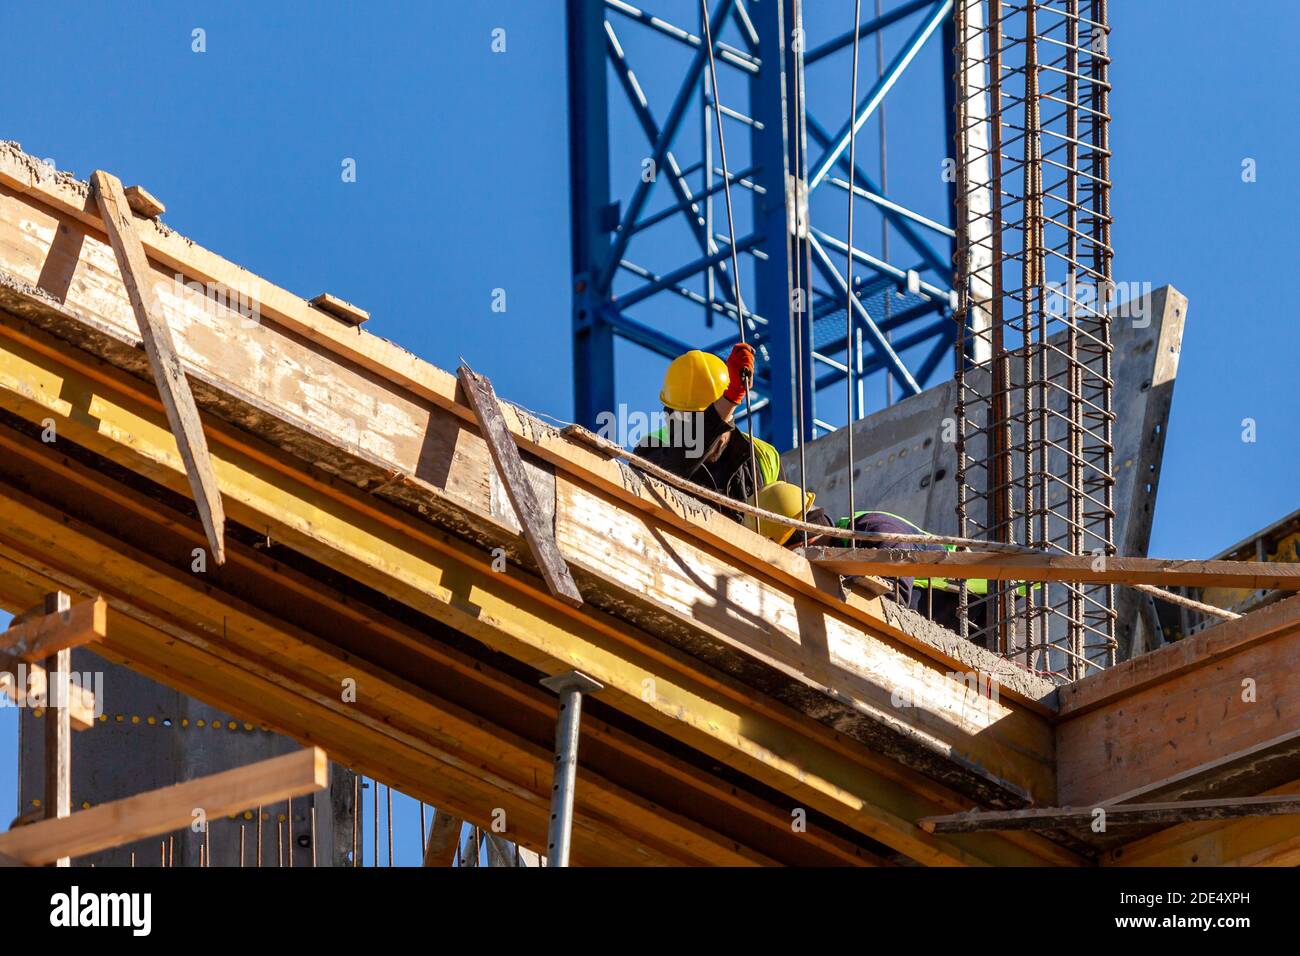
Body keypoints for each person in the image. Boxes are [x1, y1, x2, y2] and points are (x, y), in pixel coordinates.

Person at [636, 344, 782, 517]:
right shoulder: (653, 448)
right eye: (691, 423)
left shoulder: (761, 456)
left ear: (728, 419)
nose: (701, 431)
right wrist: (730, 398)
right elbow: (673, 467)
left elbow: (791, 515)